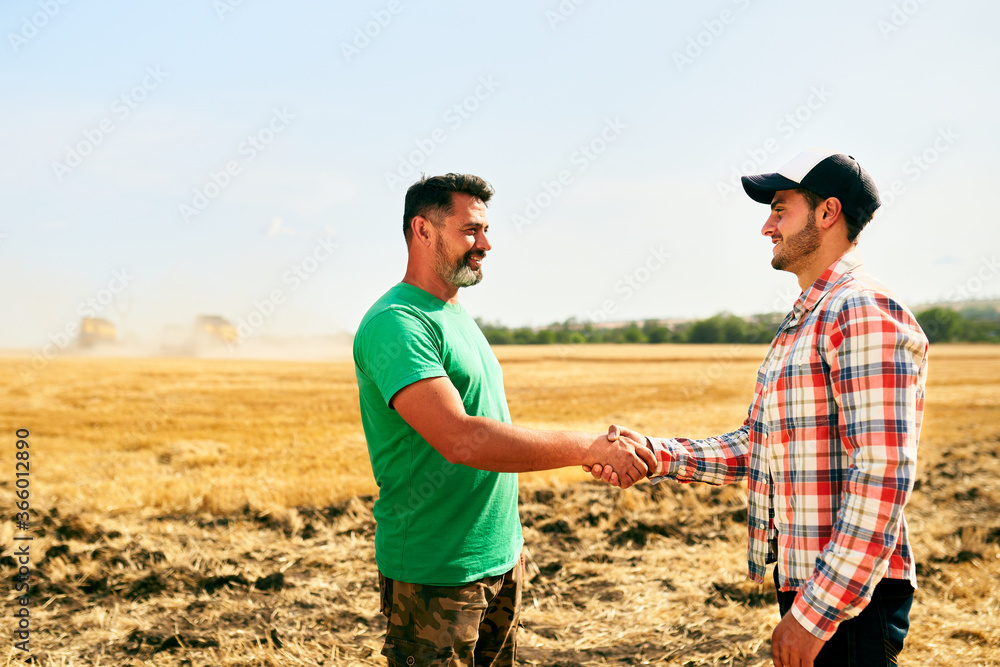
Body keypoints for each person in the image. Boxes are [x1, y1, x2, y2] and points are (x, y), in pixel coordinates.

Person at [588, 150, 928, 667]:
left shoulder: (860, 310)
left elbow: (882, 473)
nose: (766, 226)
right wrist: (657, 454)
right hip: (813, 580)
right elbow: (759, 445)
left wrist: (815, 615)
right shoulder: (808, 317)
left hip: (849, 600)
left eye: (779, 209)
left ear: (827, 213)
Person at [353, 172, 654, 666]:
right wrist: (588, 449)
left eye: (485, 230)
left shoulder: (452, 312)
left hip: (498, 559)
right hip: (437, 572)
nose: (486, 244)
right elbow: (461, 439)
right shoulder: (398, 323)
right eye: (471, 230)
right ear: (422, 231)